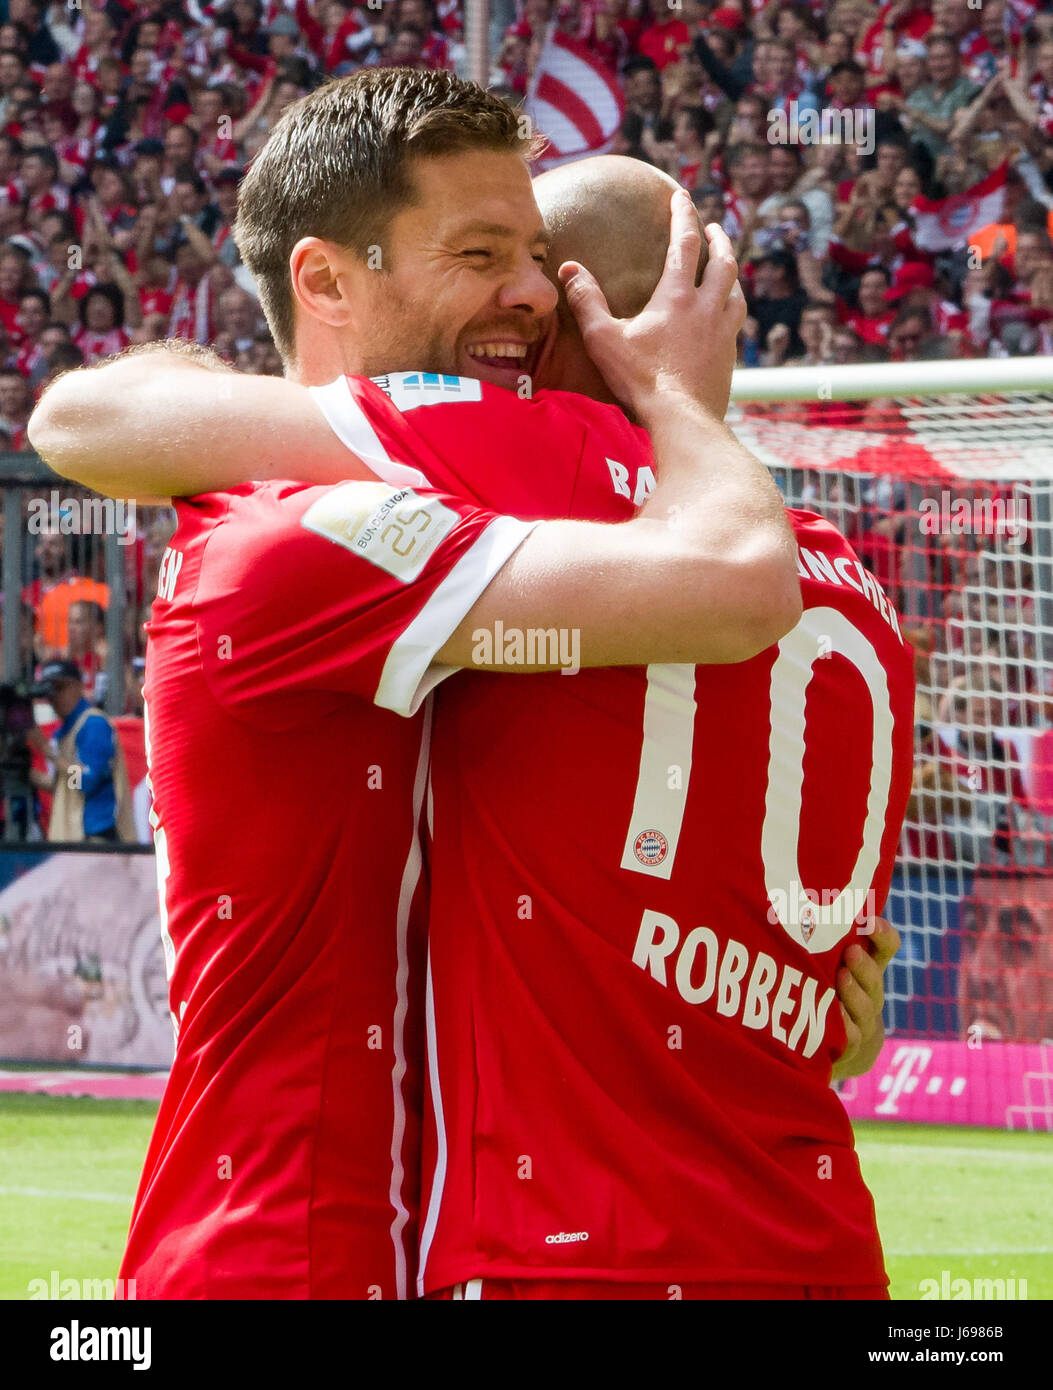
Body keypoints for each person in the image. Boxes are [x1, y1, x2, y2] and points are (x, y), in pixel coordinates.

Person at [30, 70, 803, 1300]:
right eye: (482, 251)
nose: (538, 295)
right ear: (328, 281)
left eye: (544, 256)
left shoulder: (398, 503)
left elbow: (84, 410)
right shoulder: (319, 532)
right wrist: (669, 406)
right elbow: (78, 414)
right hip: (294, 1253)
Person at [30, 659, 134, 843]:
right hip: (76, 837)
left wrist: (48, 751)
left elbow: (85, 783)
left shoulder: (93, 724)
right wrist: (29, 775)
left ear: (79, 686)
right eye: (50, 691)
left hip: (96, 838)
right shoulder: (66, 730)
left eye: (60, 688)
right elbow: (69, 786)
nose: (55, 697)